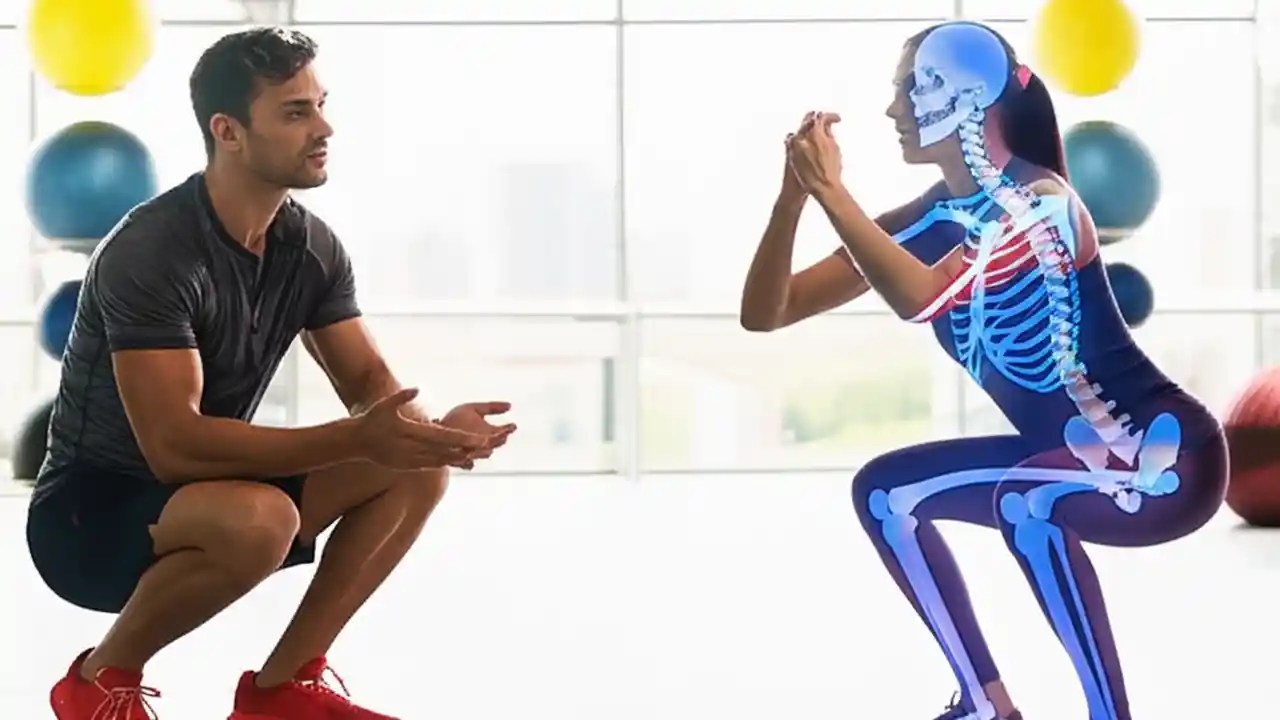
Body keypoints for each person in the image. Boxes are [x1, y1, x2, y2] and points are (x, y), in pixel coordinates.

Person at [25, 27, 516, 720]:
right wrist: (361, 437)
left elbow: (375, 391)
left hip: (207, 495)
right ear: (228, 131)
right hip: (88, 522)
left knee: (411, 466)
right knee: (263, 518)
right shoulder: (152, 250)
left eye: (320, 105)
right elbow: (175, 446)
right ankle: (98, 681)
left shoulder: (308, 246)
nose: (324, 127)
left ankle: (281, 693)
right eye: (295, 113)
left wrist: (434, 434)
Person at [741, 20, 1227, 720]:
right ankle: (983, 703)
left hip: (1161, 458)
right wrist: (794, 199)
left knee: (1027, 499)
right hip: (1063, 459)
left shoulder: (1045, 203)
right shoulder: (929, 218)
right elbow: (770, 311)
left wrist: (834, 195)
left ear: (962, 95)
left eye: (911, 88)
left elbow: (924, 297)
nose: (893, 110)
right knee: (887, 494)